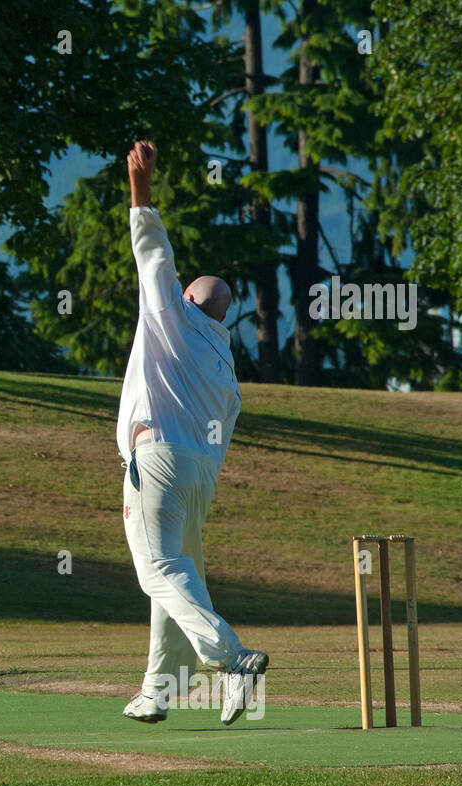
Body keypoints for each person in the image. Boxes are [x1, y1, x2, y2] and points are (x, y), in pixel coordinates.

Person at [116, 141, 268, 726]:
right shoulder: (226, 368)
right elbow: (223, 436)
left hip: (157, 459)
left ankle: (233, 659)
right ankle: (160, 691)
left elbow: (151, 251)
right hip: (201, 473)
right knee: (177, 575)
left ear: (185, 300)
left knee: (156, 570)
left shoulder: (167, 315)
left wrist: (141, 186)